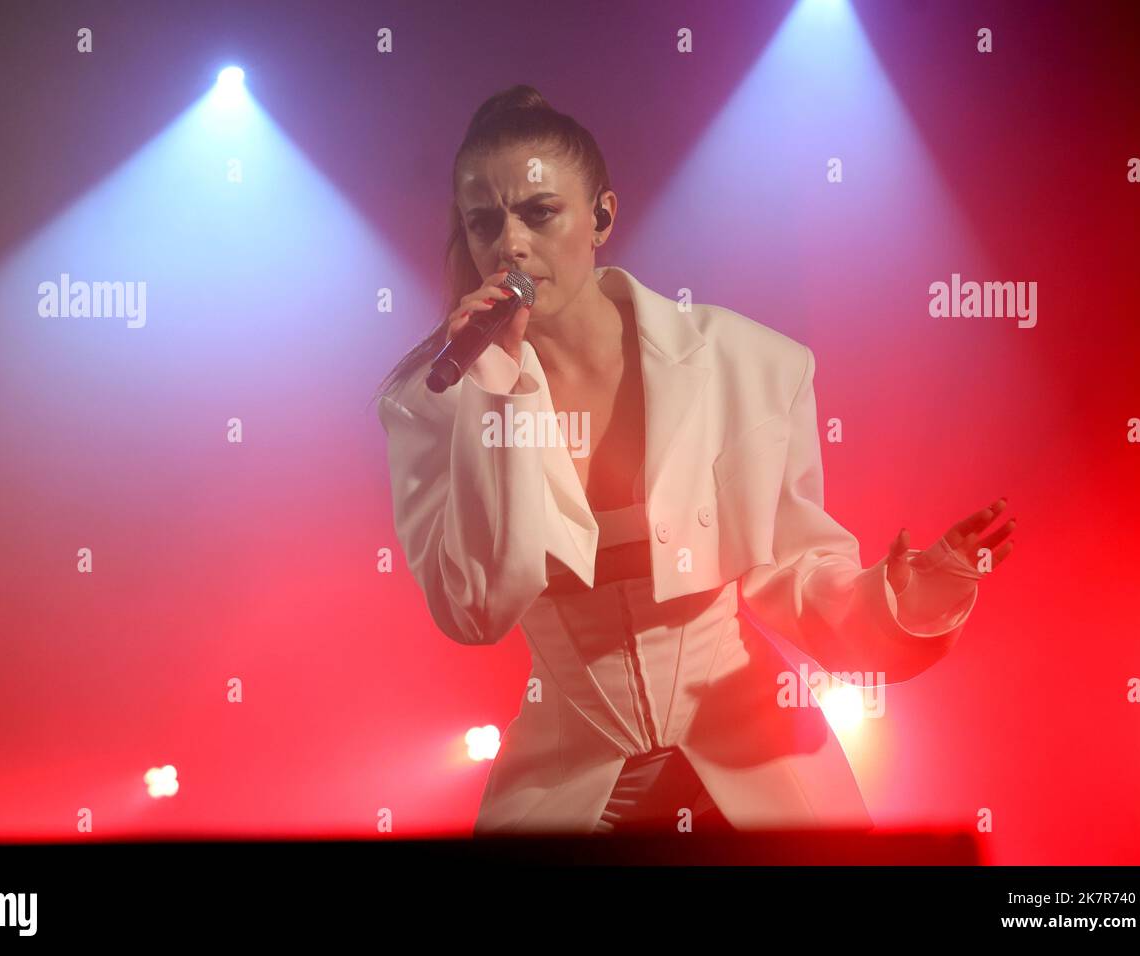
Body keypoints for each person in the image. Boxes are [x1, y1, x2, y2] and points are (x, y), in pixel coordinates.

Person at [372, 85, 1016, 836]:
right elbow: (477, 609)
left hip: (756, 767)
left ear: (601, 217)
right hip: (567, 788)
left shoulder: (745, 363)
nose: (510, 245)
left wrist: (904, 593)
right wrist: (497, 397)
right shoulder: (436, 401)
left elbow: (793, 574)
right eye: (485, 222)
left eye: (540, 213)